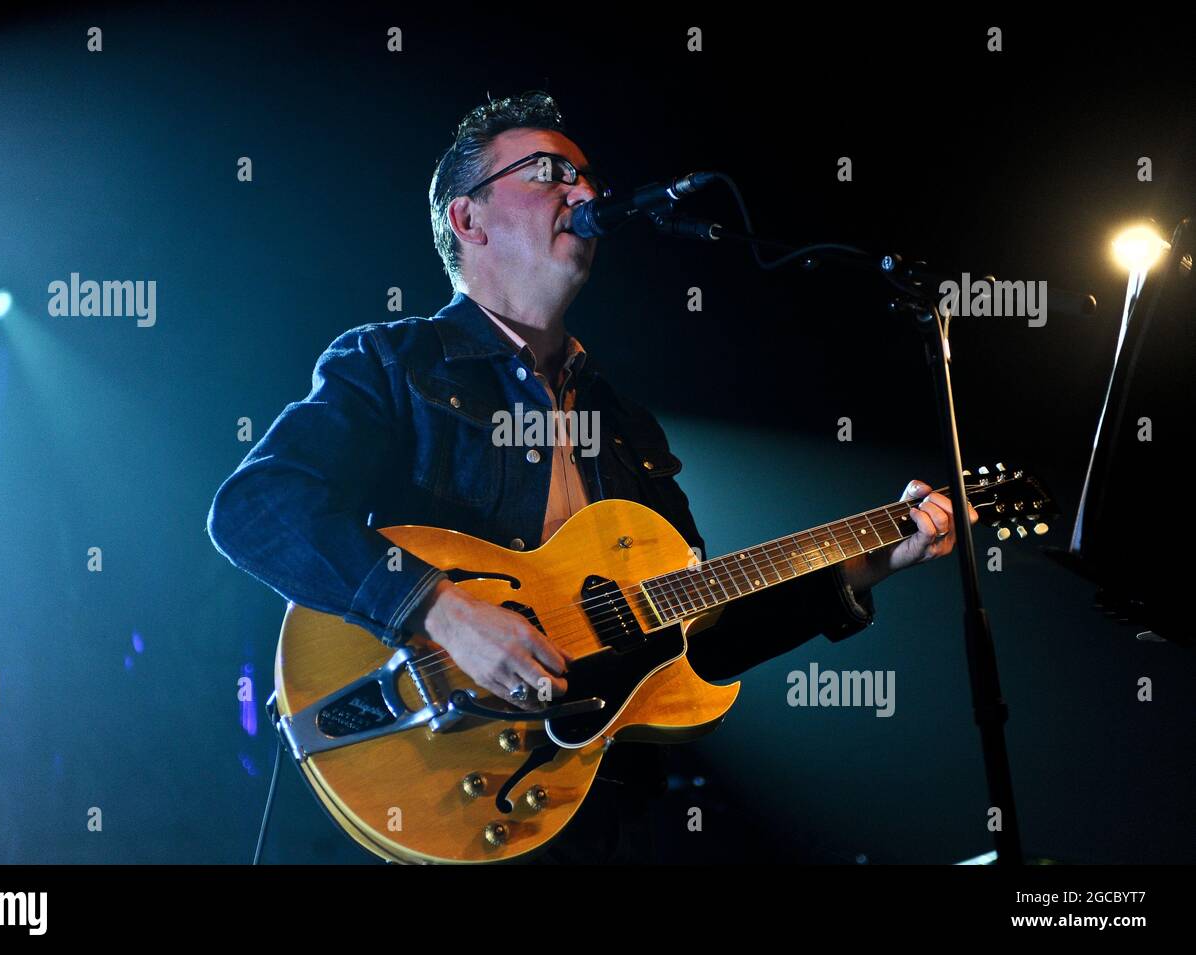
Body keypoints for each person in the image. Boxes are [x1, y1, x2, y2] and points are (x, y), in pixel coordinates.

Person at [206, 90, 976, 864]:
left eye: (586, 177)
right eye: (550, 173)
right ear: (466, 219)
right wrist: (440, 611)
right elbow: (255, 508)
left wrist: (861, 565)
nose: (585, 194)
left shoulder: (623, 420)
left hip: (585, 808)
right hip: (427, 770)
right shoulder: (394, 362)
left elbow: (696, 642)